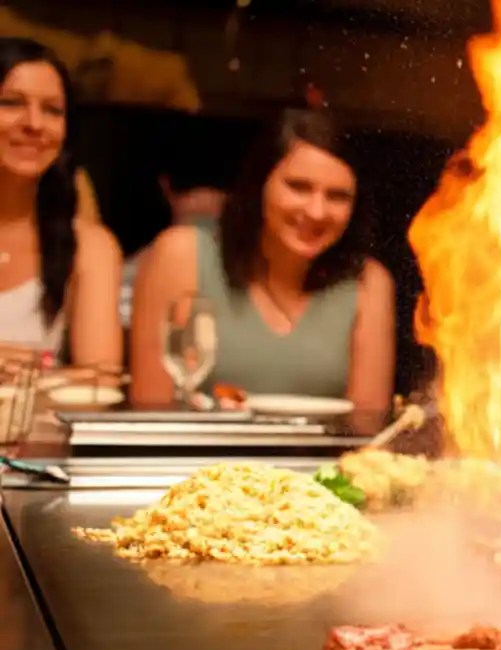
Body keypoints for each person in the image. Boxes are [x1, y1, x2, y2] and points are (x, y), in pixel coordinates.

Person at [129, 108, 394, 411]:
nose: (317, 211)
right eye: (298, 187)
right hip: (199, 456)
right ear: (259, 185)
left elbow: (368, 434)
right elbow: (150, 414)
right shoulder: (182, 253)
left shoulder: (369, 283)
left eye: (337, 196)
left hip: (322, 459)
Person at [0, 37, 122, 366]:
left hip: (36, 418)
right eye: (11, 103)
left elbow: (98, 387)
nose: (34, 124)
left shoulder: (90, 249)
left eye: (52, 110)